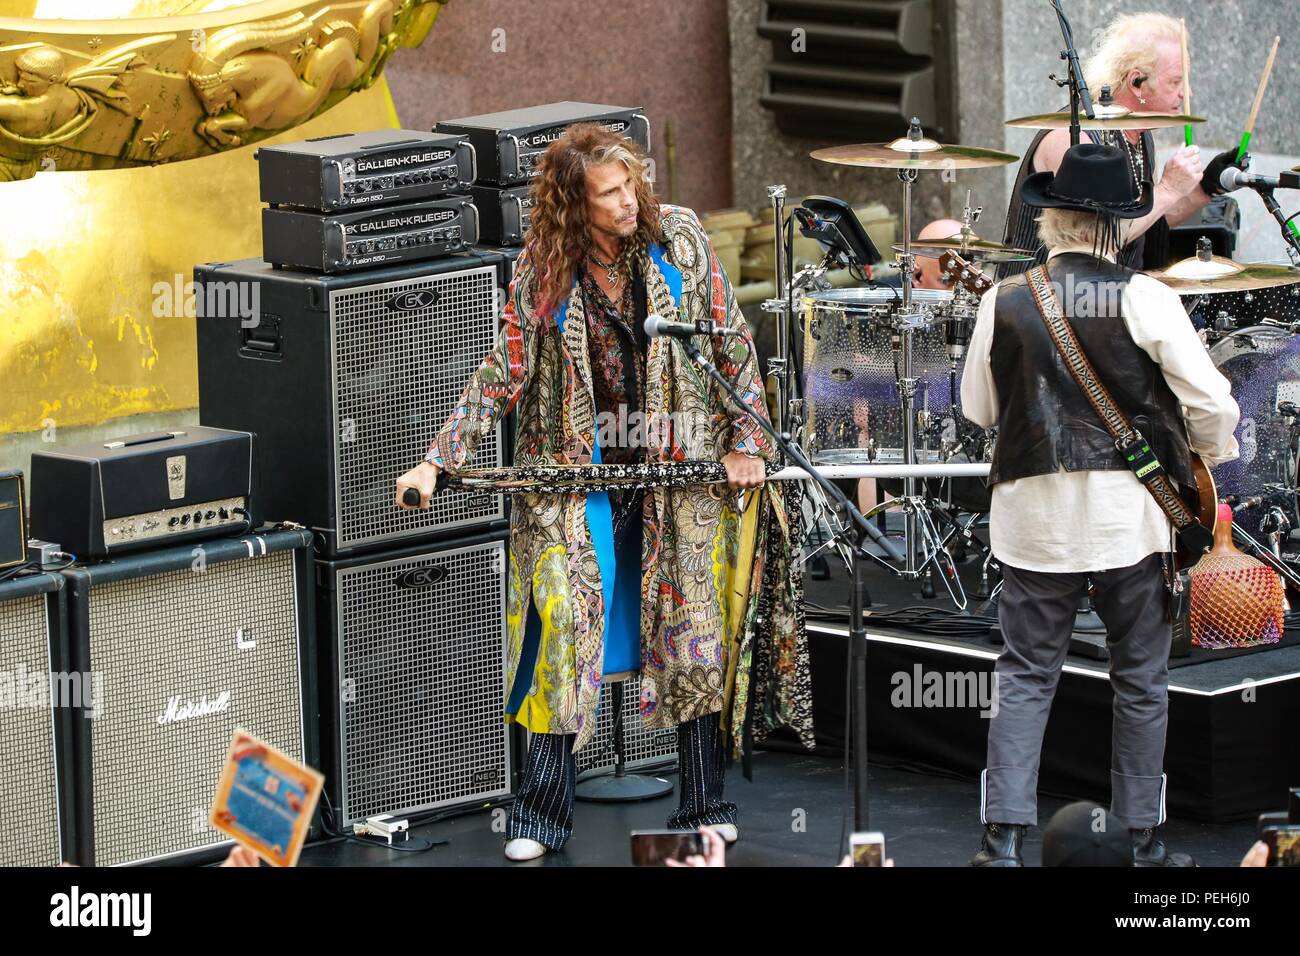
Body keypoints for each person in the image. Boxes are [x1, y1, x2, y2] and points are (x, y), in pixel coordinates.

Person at [395, 123, 804, 862]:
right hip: (574, 478)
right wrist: (436, 461)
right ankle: (539, 817)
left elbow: (732, 346)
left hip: (676, 473)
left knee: (692, 637)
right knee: (560, 634)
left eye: (630, 185)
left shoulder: (680, 240)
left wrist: (747, 442)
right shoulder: (545, 268)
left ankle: (705, 806)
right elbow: (502, 370)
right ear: (574, 208)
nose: (626, 201)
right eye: (608, 194)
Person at [961, 142, 1240, 867]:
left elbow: (979, 410)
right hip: (1131, 520)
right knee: (1141, 679)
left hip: (1032, 521)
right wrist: (1207, 460)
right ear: (1116, 227)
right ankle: (1143, 843)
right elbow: (1211, 402)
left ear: (1049, 219)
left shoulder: (1003, 299)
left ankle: (1003, 841)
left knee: (1025, 676)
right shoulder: (1148, 298)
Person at [1000, 11, 1246, 274]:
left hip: (1107, 300)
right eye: (1176, 81)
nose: (1187, 93)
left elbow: (1143, 223)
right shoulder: (1075, 138)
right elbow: (1099, 240)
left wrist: (1204, 188)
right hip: (1041, 304)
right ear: (1136, 82)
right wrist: (1169, 188)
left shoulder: (1140, 137)